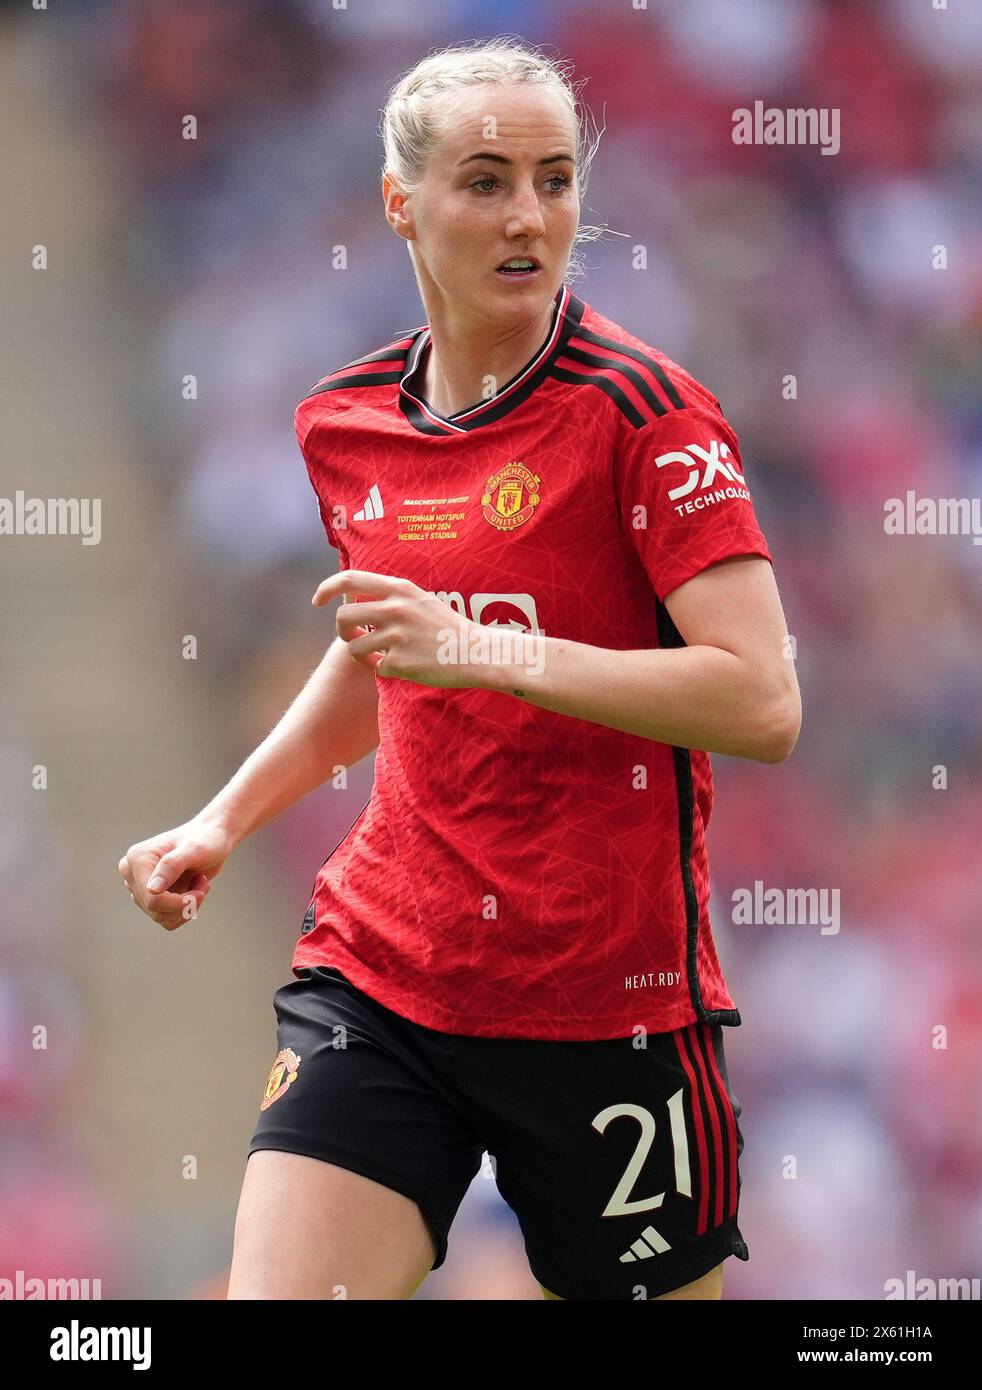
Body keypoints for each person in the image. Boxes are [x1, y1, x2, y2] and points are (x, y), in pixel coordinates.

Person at [118, 37, 801, 1301]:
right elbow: (381, 654)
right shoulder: (346, 420)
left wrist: (487, 650)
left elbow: (759, 700)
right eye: (486, 180)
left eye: (553, 180)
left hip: (608, 1007)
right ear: (401, 204)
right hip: (386, 976)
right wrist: (224, 816)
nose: (528, 215)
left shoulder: (649, 417)